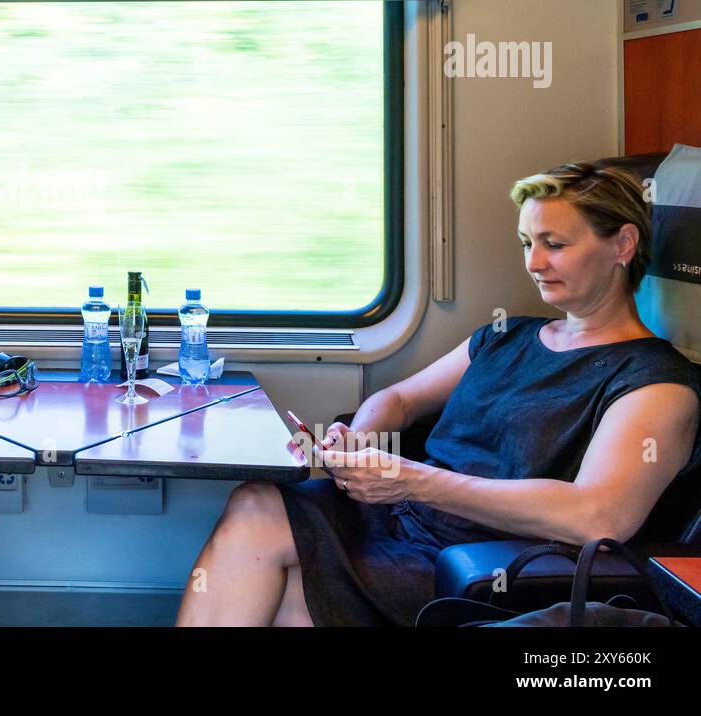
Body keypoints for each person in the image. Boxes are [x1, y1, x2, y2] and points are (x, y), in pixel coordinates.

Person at [176, 161, 700, 626]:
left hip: (479, 559)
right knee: (254, 504)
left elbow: (597, 516)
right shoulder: (507, 335)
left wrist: (414, 480)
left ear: (623, 245)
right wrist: (359, 445)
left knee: (289, 588)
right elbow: (399, 401)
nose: (533, 263)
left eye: (555, 245)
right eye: (527, 243)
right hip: (402, 517)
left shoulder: (655, 382)